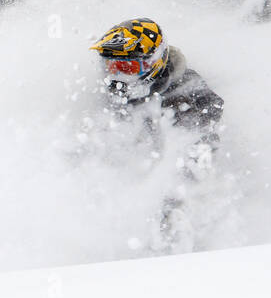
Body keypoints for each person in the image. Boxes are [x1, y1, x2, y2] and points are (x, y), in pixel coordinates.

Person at [90, 18, 225, 248]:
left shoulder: (187, 96)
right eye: (110, 67)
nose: (117, 78)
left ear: (154, 63)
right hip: (122, 198)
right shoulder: (117, 94)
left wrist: (170, 205)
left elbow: (195, 156)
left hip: (179, 210)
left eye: (127, 68)